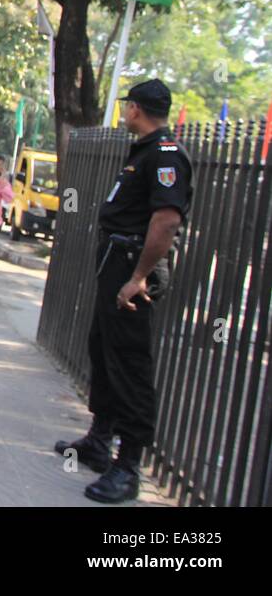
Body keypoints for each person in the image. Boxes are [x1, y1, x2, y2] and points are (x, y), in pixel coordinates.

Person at [54, 78, 192, 503]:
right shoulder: (146, 153)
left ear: (135, 109)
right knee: (104, 350)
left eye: (127, 106)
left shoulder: (166, 155)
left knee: (130, 364)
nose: (124, 112)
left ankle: (128, 465)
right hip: (116, 262)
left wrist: (139, 277)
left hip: (133, 268)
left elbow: (166, 220)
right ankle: (99, 440)